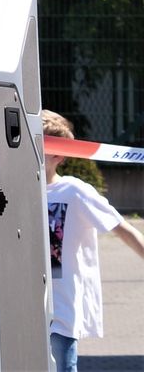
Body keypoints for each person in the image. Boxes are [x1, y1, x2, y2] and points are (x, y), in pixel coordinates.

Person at [43, 109, 144, 371]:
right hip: (20, 304)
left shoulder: (74, 191)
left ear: (58, 154)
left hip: (60, 312)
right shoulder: (11, 190)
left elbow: (122, 229)